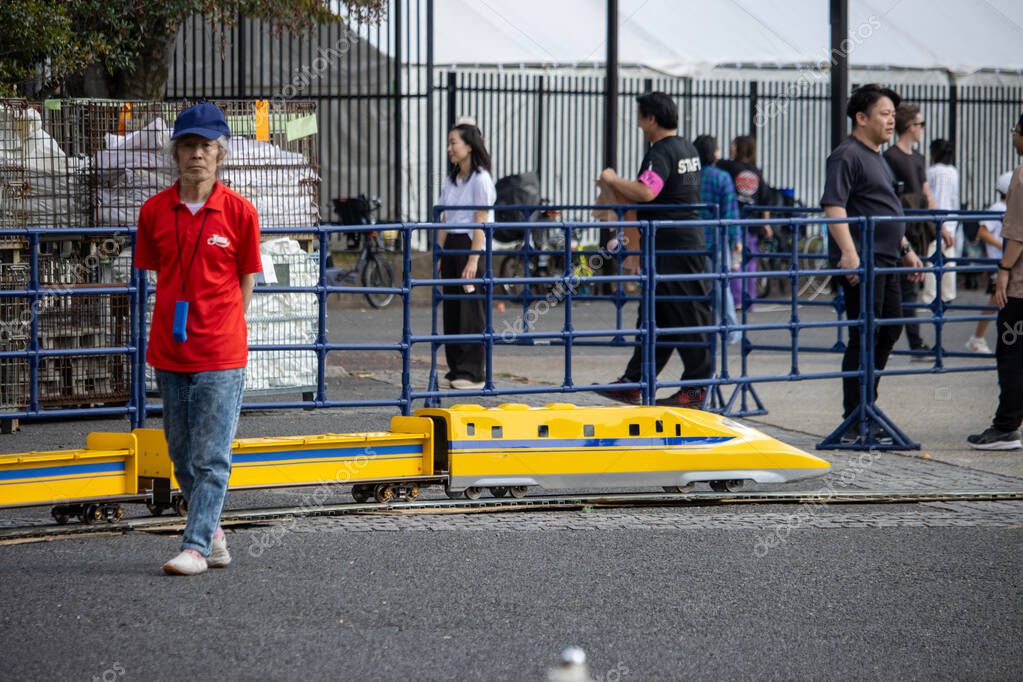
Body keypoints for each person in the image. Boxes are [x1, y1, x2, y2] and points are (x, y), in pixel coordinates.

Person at [134, 102, 262, 575]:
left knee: (211, 456)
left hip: (220, 351)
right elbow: (157, 272)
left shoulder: (240, 212)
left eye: (206, 146)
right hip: (169, 350)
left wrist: (227, 324)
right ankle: (214, 534)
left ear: (220, 154)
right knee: (181, 455)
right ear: (175, 153)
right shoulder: (154, 211)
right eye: (188, 145)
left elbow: (247, 277)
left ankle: (196, 547)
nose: (197, 155)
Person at [820, 84, 924, 440]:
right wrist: (849, 253)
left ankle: (868, 404)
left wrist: (906, 247)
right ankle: (855, 415)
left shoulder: (878, 156)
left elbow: (885, 207)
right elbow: (833, 205)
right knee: (864, 334)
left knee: (889, 329)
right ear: (861, 118)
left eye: (893, 114)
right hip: (864, 262)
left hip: (889, 258)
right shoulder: (846, 155)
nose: (891, 120)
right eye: (884, 113)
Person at [594, 91, 711, 407]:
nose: (638, 124)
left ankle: (697, 387)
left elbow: (647, 191)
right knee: (657, 317)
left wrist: (612, 179)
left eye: (640, 117)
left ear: (651, 119)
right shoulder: (687, 147)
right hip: (681, 243)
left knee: (687, 315)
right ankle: (636, 380)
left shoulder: (660, 151)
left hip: (671, 246)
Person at [968, 116, 1023, 451]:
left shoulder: (1021, 175)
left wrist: (1004, 269)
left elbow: (1017, 233)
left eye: (1016, 132)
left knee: (1011, 353)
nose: (1014, 138)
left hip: (1020, 286)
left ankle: (1005, 426)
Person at [437, 122, 495, 391]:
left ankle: (473, 372)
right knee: (452, 307)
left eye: (454, 143)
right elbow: (444, 218)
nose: (450, 148)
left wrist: (473, 259)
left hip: (471, 243)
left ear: (469, 146)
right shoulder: (452, 180)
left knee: (470, 308)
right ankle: (456, 367)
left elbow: (480, 220)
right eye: (449, 143)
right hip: (452, 243)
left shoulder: (480, 179)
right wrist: (440, 252)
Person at [883, 103, 937, 357]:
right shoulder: (890, 157)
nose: (922, 128)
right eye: (920, 124)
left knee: (911, 286)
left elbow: (927, 193)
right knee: (904, 287)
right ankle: (911, 342)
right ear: (909, 127)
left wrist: (939, 224)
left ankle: (909, 341)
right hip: (900, 227)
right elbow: (889, 196)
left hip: (919, 228)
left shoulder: (919, 157)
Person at [694, 134, 742, 344]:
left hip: (693, 238)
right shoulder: (722, 178)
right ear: (714, 153)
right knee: (721, 285)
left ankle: (698, 328)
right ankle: (731, 330)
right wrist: (736, 239)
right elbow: (730, 213)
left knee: (694, 286)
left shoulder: (690, 178)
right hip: (717, 239)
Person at [717, 135, 772, 307]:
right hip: (753, 224)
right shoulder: (756, 172)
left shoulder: (728, 167)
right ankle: (750, 299)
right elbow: (765, 199)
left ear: (740, 148)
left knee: (735, 261)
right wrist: (765, 223)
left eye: (734, 145)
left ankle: (737, 299)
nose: (731, 148)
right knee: (751, 262)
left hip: (735, 222)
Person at [966, 171, 1014, 355]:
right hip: (998, 262)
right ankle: (977, 338)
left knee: (1000, 302)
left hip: (1005, 261)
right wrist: (1005, 245)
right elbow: (983, 232)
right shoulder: (997, 208)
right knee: (996, 300)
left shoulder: (1009, 207)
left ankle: (982, 338)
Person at [922, 138, 960, 306]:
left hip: (935, 221)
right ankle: (947, 295)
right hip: (952, 220)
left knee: (932, 260)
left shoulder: (932, 172)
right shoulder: (953, 171)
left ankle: (930, 298)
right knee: (948, 260)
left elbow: (931, 198)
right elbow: (953, 199)